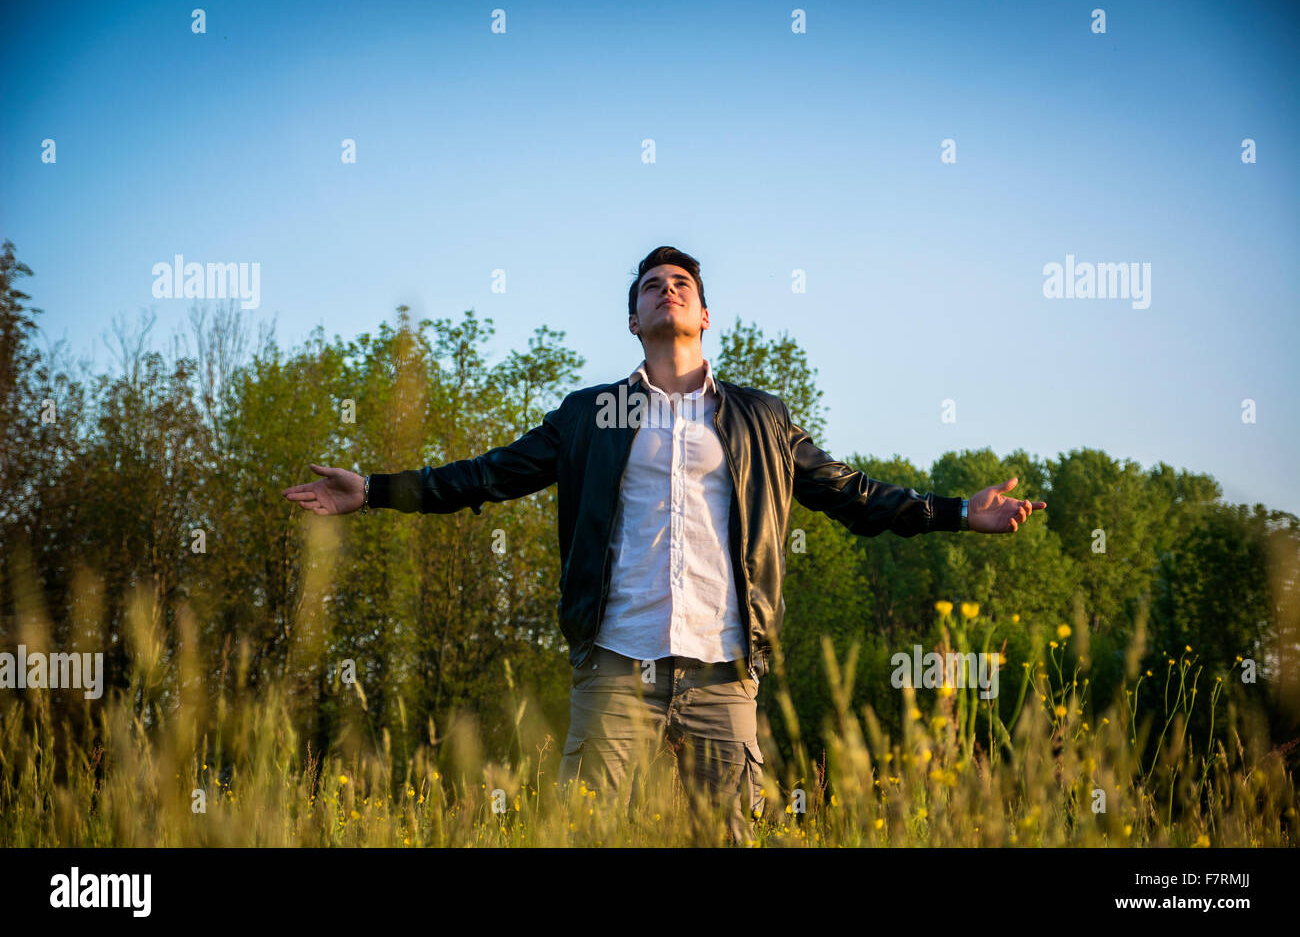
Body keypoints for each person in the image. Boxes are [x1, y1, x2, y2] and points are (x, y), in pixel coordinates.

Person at [281, 245, 1046, 844]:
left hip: (723, 676)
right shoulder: (591, 414)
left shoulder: (760, 419)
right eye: (652, 285)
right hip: (615, 667)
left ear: (706, 315)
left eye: (682, 283)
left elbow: (853, 494)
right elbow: (488, 476)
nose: (667, 290)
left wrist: (953, 512)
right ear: (633, 320)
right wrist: (375, 491)